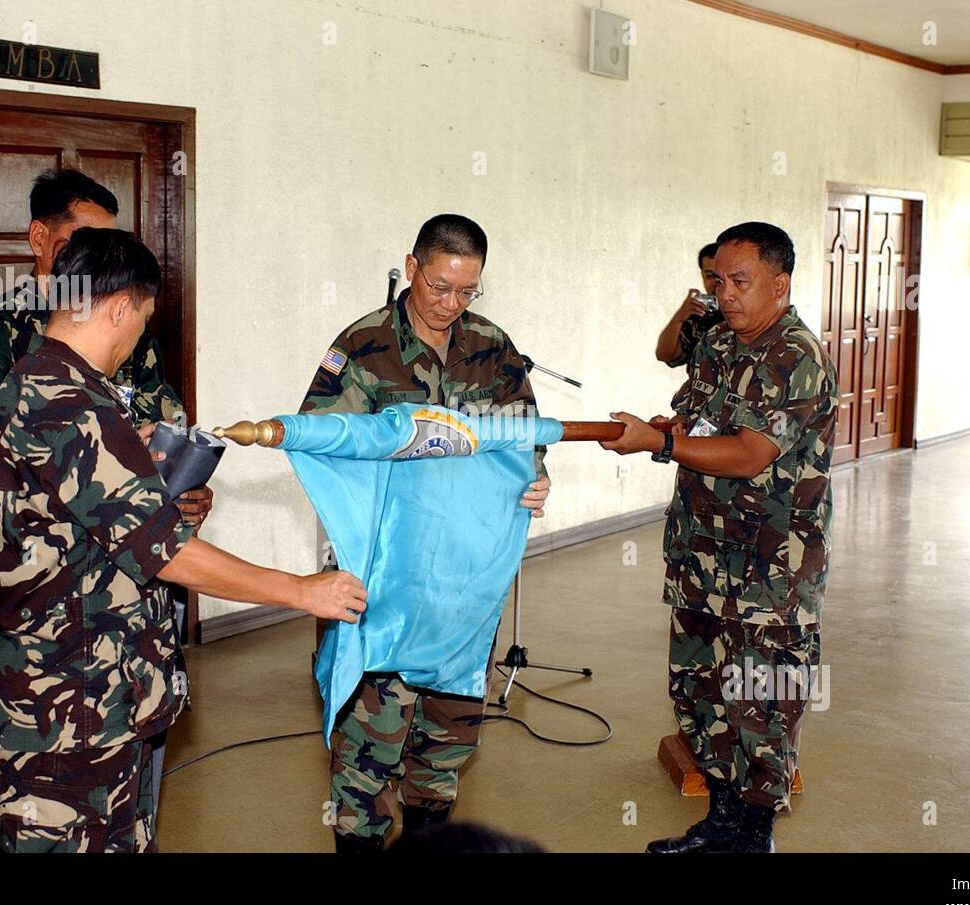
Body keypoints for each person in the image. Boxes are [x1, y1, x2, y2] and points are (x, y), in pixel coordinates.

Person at [0, 227, 366, 852]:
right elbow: (165, 549)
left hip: (74, 689)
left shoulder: (31, 383)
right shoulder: (72, 407)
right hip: (69, 709)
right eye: (142, 319)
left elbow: (76, 515)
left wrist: (140, 455)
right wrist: (300, 590)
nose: (137, 340)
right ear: (119, 307)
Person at [0, 169, 209, 840]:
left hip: (115, 598)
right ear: (41, 239)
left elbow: (160, 420)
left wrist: (173, 476)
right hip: (26, 598)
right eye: (83, 239)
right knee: (29, 773)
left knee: (122, 774)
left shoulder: (125, 333)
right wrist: (102, 475)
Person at [300, 213, 550, 852]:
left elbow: (522, 439)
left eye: (468, 291)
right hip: (382, 578)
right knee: (368, 745)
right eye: (440, 287)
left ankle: (432, 839)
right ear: (410, 268)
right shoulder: (361, 348)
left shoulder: (492, 347)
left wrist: (533, 480)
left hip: (463, 581)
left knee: (449, 733)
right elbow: (326, 445)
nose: (452, 305)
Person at [602, 222, 837, 853]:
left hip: (770, 571)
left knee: (763, 703)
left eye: (740, 281)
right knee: (702, 690)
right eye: (718, 281)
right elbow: (706, 419)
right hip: (703, 558)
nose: (725, 294)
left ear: (780, 284)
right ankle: (720, 824)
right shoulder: (720, 344)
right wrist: (673, 428)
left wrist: (664, 443)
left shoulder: (795, 356)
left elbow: (749, 454)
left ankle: (752, 837)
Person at [655, 241, 724, 372]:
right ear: (702, 276)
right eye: (709, 276)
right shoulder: (700, 314)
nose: (715, 282)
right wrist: (678, 319)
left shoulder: (750, 311)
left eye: (720, 277)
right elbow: (664, 355)